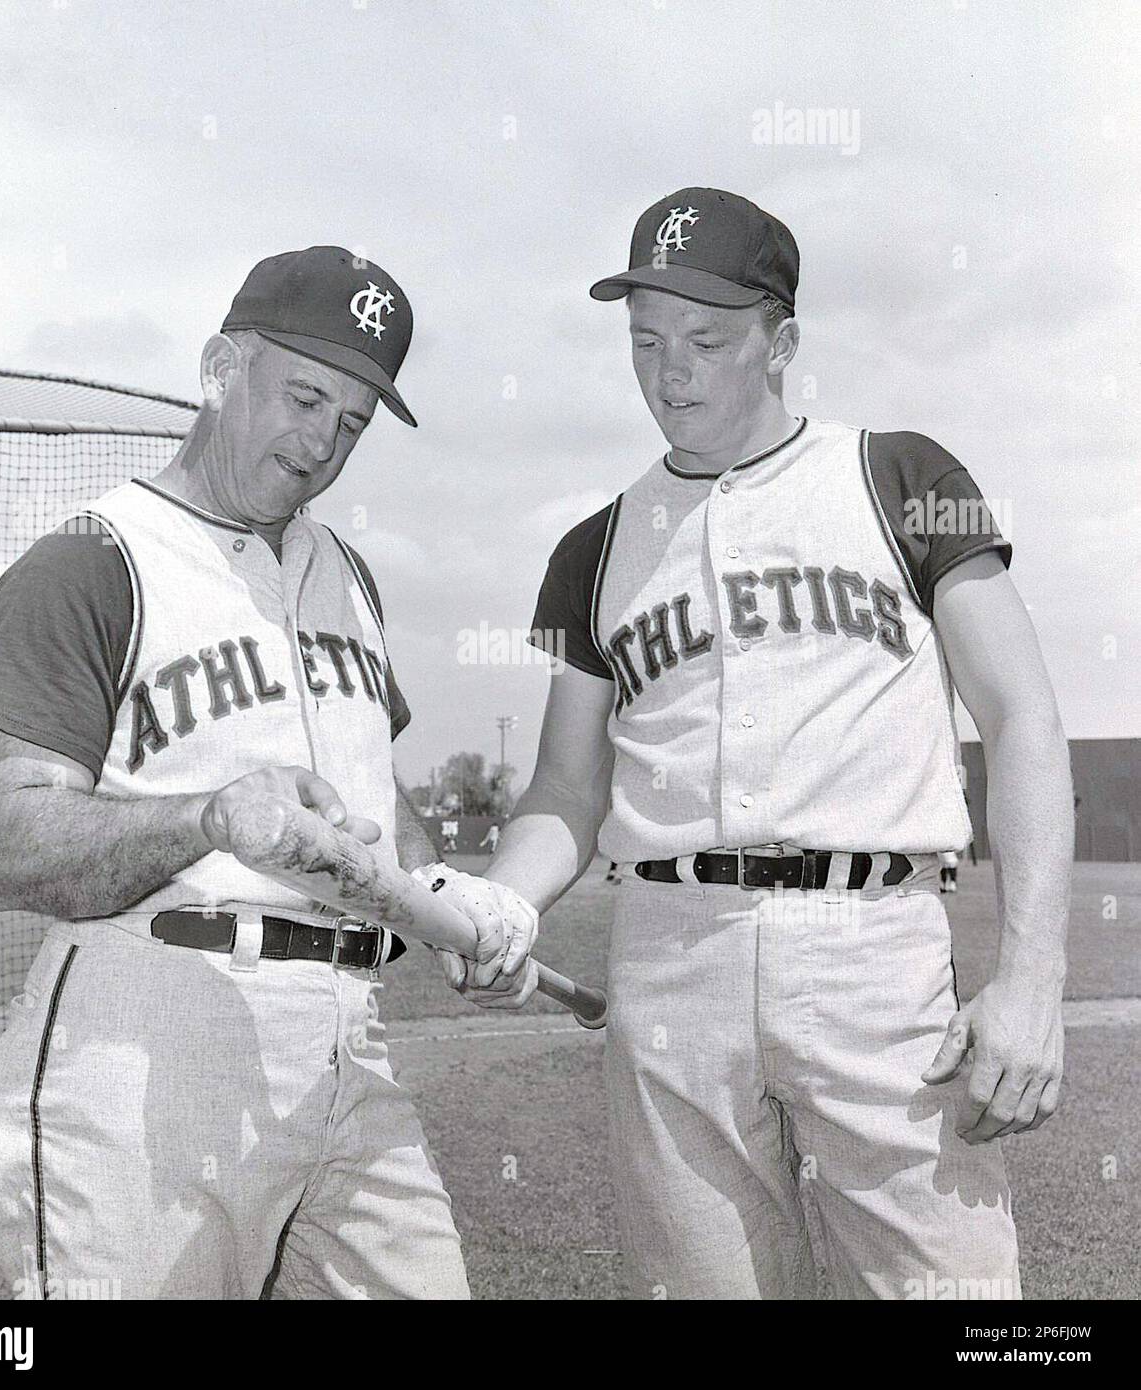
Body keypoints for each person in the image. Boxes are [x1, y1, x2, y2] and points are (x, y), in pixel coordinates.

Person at [432, 189, 1072, 1299]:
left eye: (705, 340)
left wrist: (1029, 975)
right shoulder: (592, 548)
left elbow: (1021, 719)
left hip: (874, 949)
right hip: (671, 956)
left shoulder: (906, 478)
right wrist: (503, 900)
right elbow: (565, 792)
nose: (668, 373)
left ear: (780, 343)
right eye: (643, 342)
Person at [0, 247, 533, 1301]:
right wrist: (207, 818)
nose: (320, 442)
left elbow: (378, 807)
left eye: (352, 421)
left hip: (343, 1041)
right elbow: (8, 841)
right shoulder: (92, 562)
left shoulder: (342, 574)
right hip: (153, 1030)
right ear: (222, 365)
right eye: (305, 395)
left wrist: (454, 902)